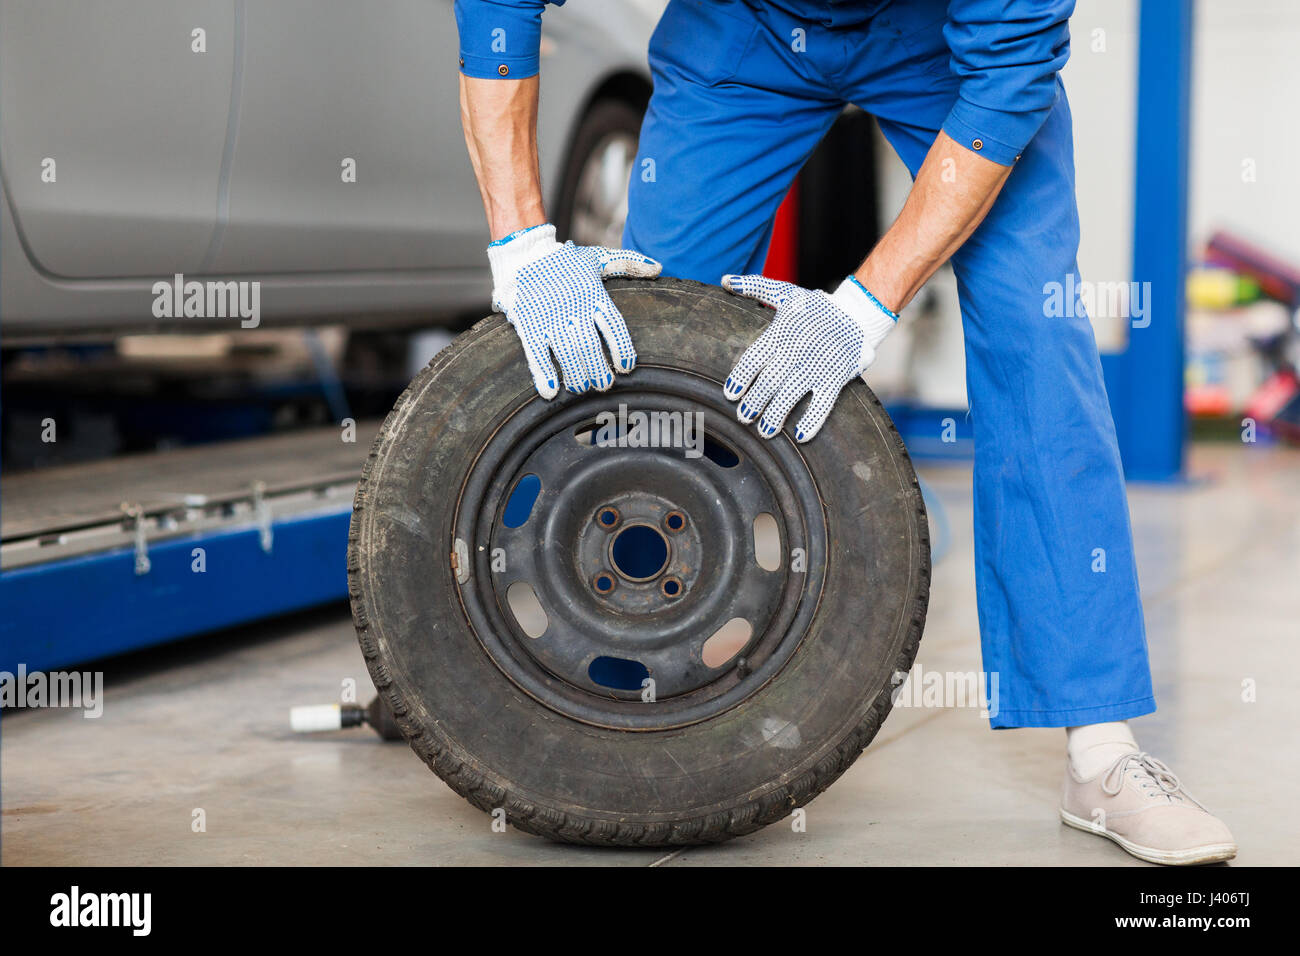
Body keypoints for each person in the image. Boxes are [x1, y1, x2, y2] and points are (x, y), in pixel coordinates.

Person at [454, 0, 1236, 865]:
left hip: (945, 45)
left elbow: (1010, 75)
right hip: (741, 26)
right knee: (648, 337)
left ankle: (1102, 751)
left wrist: (865, 307)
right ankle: (578, 686)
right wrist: (520, 244)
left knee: (1034, 320)